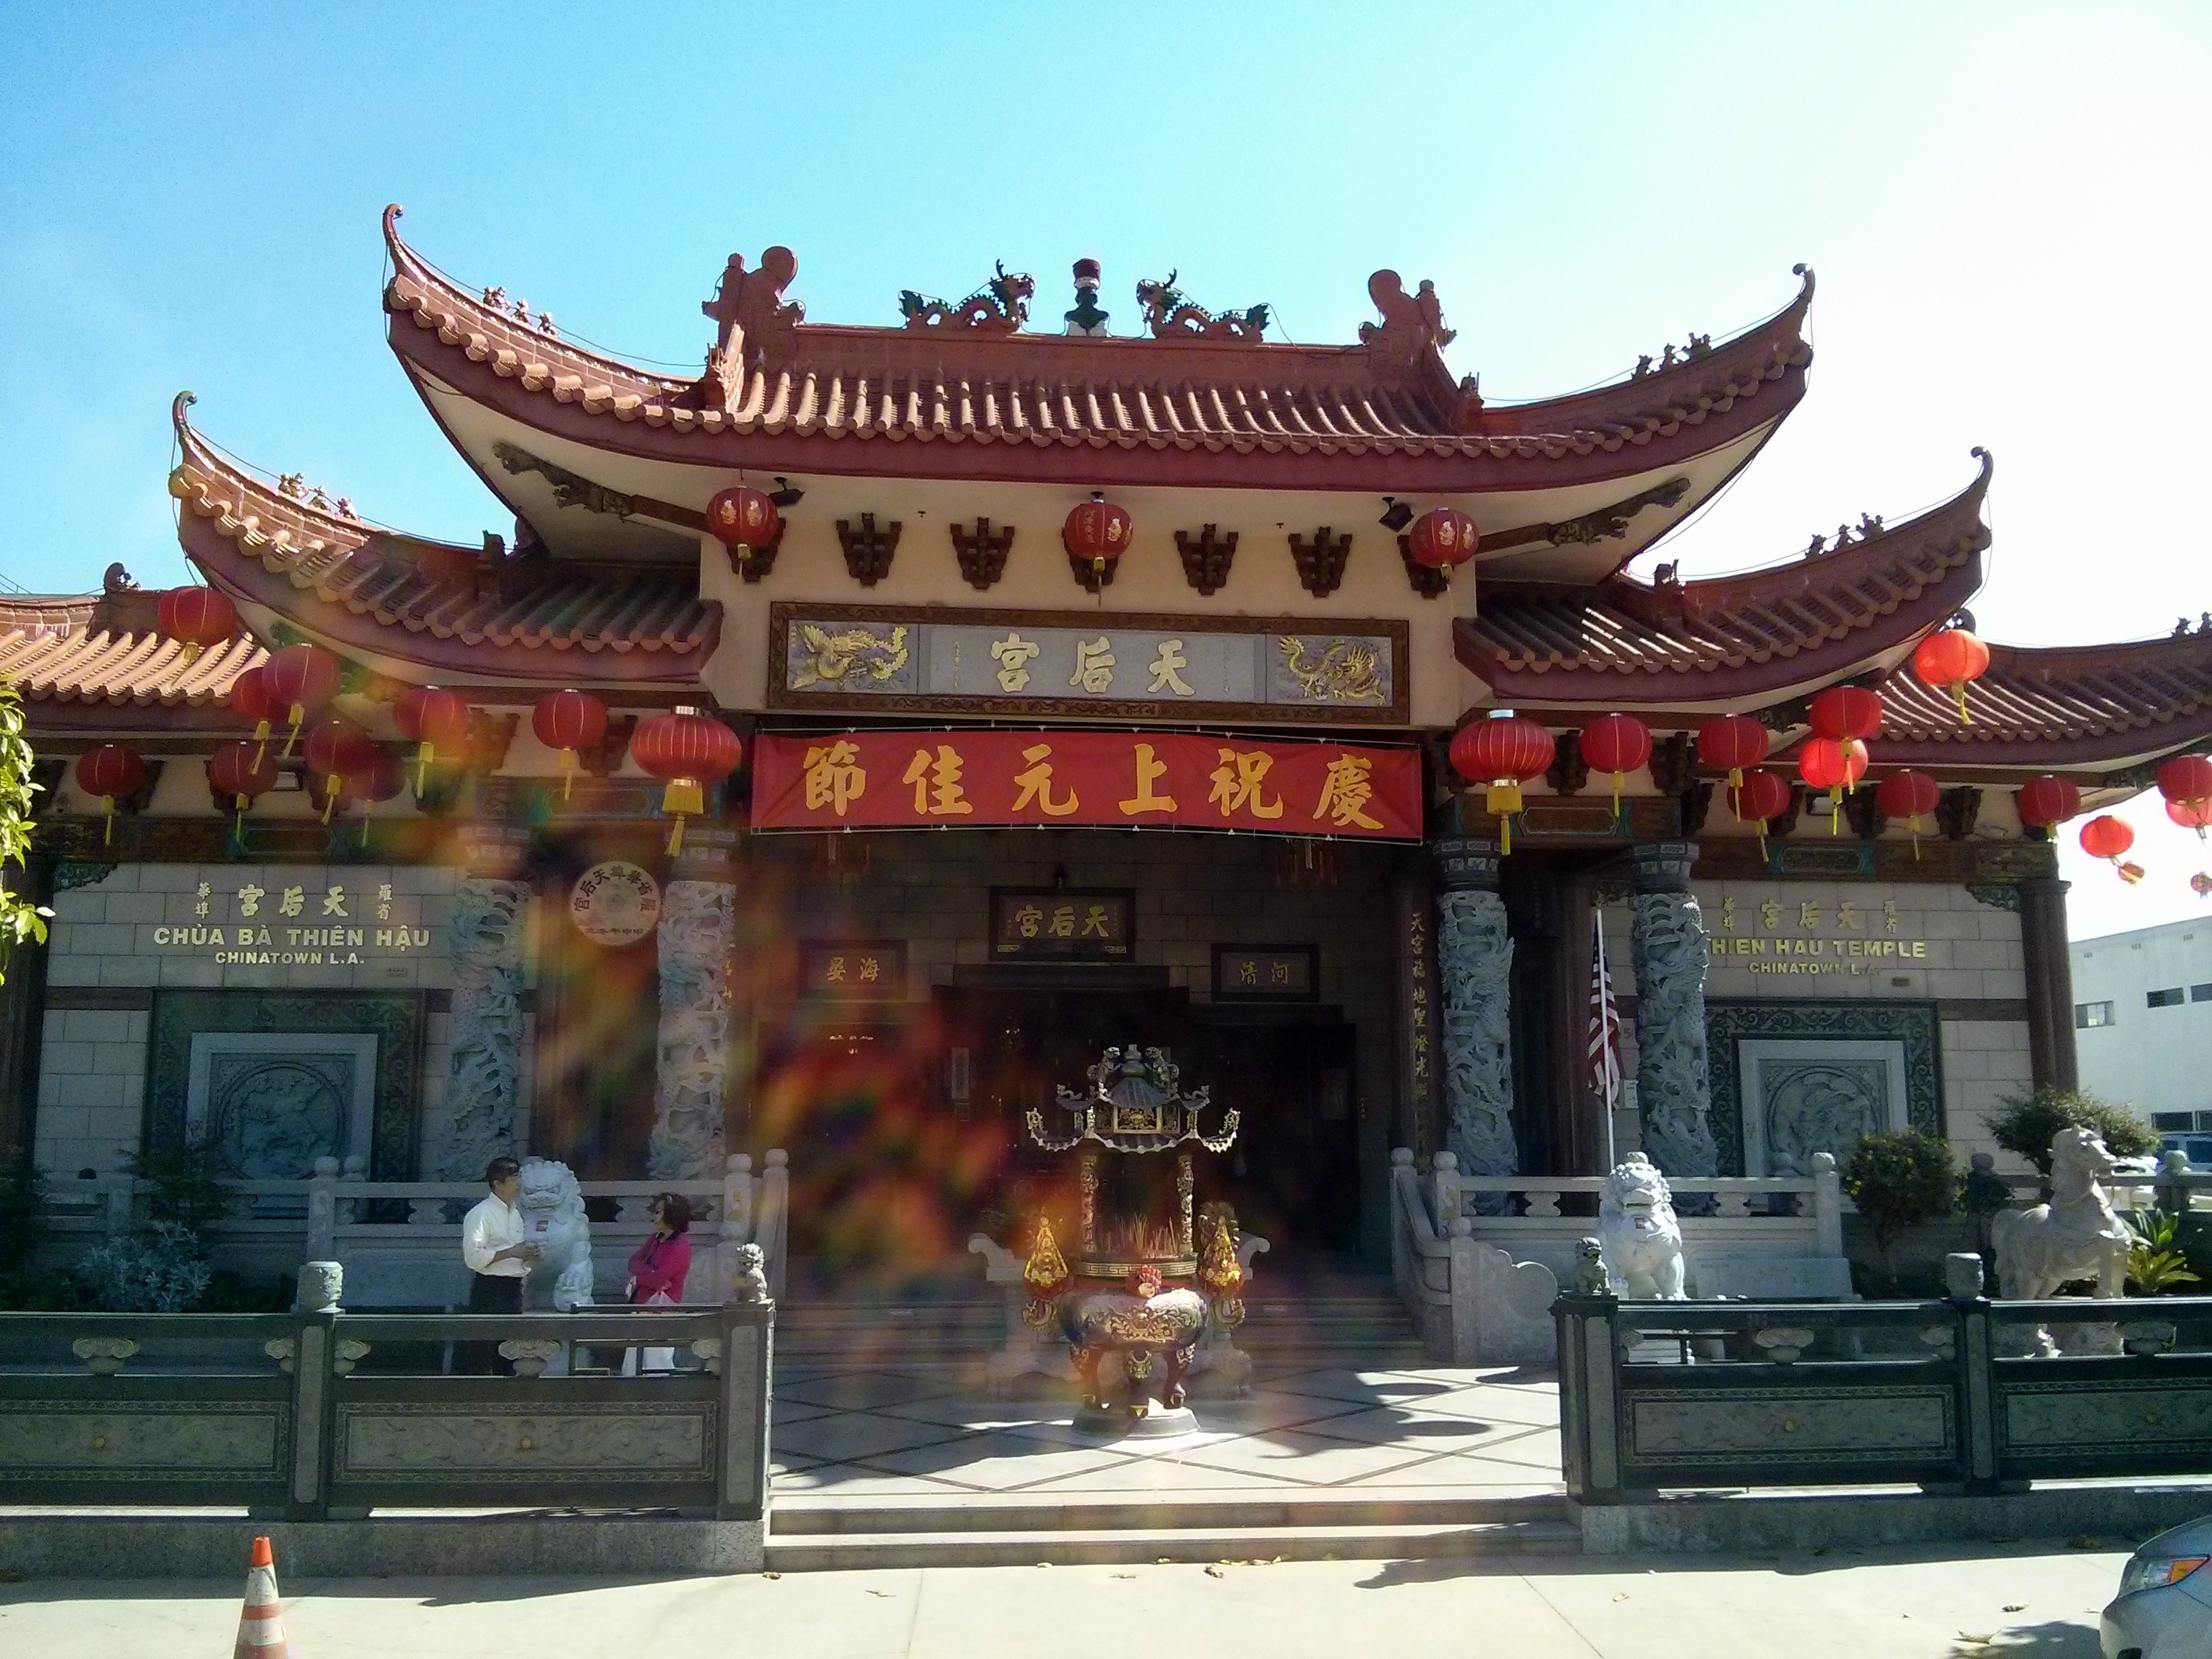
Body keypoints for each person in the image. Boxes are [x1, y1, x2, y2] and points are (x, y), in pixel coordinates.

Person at [459, 1155, 538, 1374]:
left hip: (513, 1287)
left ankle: (507, 1400)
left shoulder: (515, 1214)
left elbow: (515, 1249)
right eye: (514, 1179)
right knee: (483, 1348)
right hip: (490, 1288)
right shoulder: (480, 1214)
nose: (519, 1184)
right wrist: (513, 1252)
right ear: (498, 1183)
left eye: (519, 1178)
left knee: (511, 1348)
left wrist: (526, 1253)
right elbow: (473, 1256)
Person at [622, 1191, 691, 1375]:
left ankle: (661, 1400)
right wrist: (648, 1273)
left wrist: (642, 1277)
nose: (654, 1217)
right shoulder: (654, 1239)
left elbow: (660, 1278)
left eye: (659, 1212)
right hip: (641, 1305)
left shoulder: (681, 1247)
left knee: (656, 1359)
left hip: (662, 1309)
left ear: (672, 1214)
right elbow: (633, 1262)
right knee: (633, 1357)